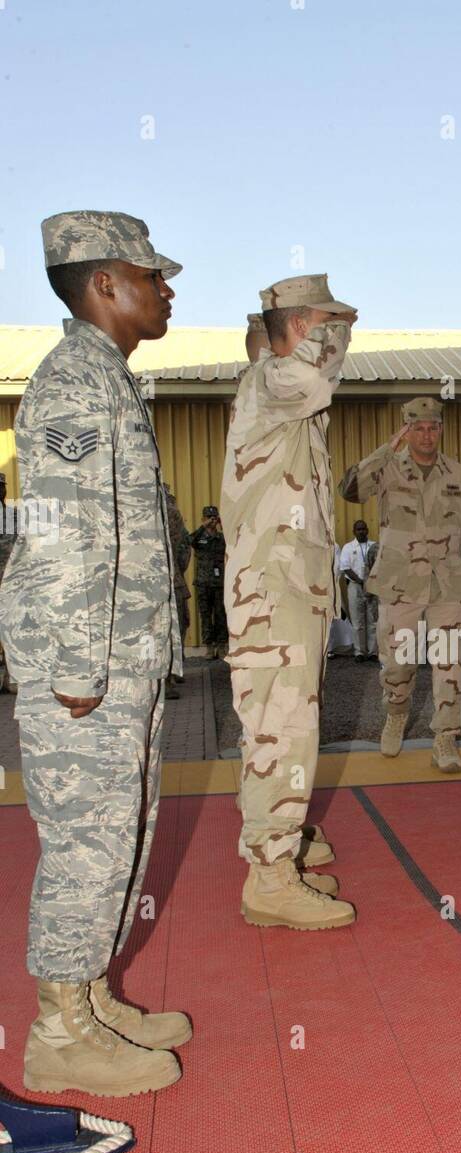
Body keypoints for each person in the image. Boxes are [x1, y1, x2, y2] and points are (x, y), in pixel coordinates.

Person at [0, 209, 191, 1097]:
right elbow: (68, 537)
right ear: (105, 283)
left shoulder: (103, 379)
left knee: (121, 835)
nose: (167, 290)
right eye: (152, 276)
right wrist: (80, 669)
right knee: (86, 845)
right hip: (86, 665)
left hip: (119, 660)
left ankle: (87, 997)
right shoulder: (76, 383)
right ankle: (57, 1034)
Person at [221, 273, 357, 930]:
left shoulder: (281, 396)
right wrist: (320, 327)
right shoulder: (275, 382)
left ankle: (280, 838)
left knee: (282, 724)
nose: (343, 331)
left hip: (288, 589)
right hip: (272, 592)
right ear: (302, 327)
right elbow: (313, 370)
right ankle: (269, 878)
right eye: (330, 321)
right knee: (283, 728)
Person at [338, 397, 461, 772]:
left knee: (450, 661)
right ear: (407, 430)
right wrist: (387, 449)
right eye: (418, 428)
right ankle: (397, 711)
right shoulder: (388, 468)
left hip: (448, 583)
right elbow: (350, 489)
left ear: (441, 429)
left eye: (433, 427)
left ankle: (446, 739)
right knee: (398, 663)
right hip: (400, 583)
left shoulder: (458, 474)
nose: (426, 435)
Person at [163, 481, 192, 698]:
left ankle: (161, 678)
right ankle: (171, 675)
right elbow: (184, 545)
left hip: (145, 580)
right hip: (172, 579)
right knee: (176, 626)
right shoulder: (172, 511)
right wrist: (177, 571)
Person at [190, 505, 227, 658]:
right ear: (203, 519)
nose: (211, 521)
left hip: (219, 583)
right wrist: (202, 527)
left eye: (214, 518)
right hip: (203, 583)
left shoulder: (222, 538)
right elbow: (189, 541)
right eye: (208, 518)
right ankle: (209, 647)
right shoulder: (199, 537)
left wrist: (223, 524)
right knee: (205, 615)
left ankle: (222, 646)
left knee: (220, 615)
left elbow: (235, 541)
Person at [340, 518, 379, 660]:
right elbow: (345, 568)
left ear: (367, 530)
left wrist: (370, 581)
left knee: (373, 620)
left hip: (373, 587)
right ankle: (359, 652)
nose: (361, 531)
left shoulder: (375, 546)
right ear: (354, 532)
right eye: (358, 529)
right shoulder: (348, 547)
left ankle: (373, 652)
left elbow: (380, 565)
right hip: (355, 587)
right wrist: (361, 581)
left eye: (363, 529)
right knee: (357, 621)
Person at [0, 471, 19, 694]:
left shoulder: (15, 516)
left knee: (11, 629)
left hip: (11, 583)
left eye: (1, 486)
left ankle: (11, 679)